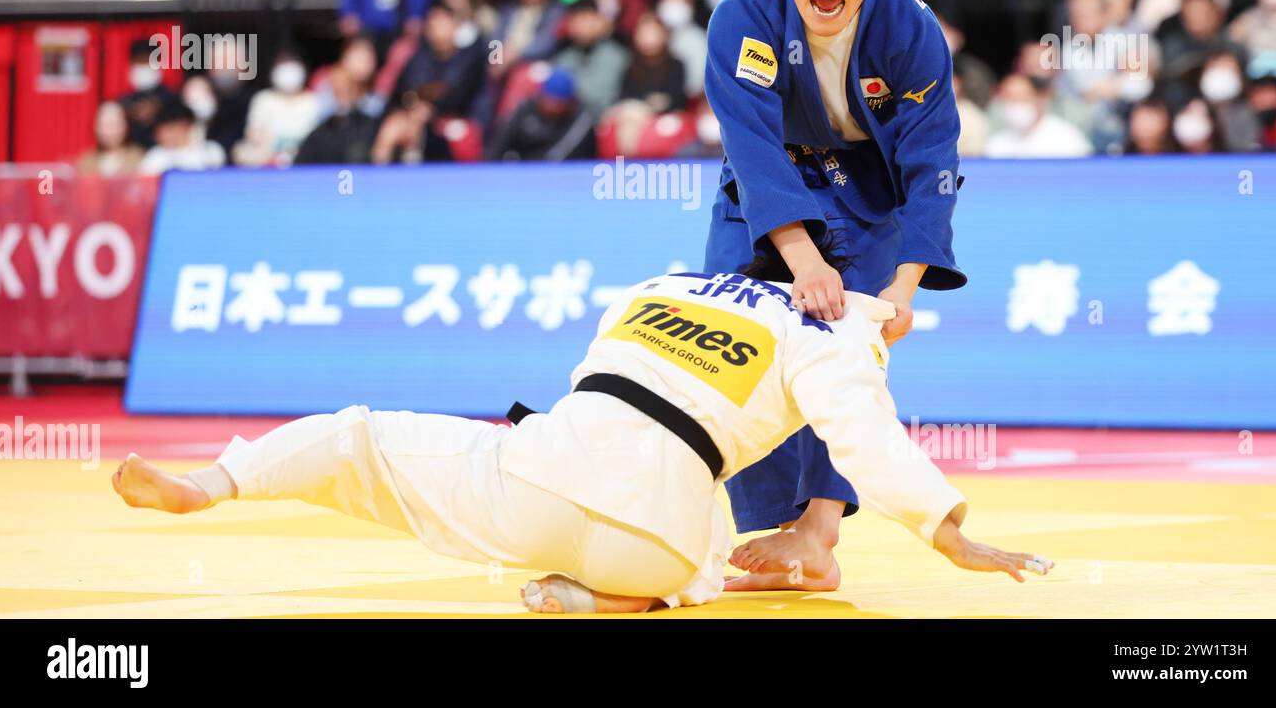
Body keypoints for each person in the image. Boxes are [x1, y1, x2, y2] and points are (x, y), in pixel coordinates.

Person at [111, 256, 1053, 614]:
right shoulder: (836, 325)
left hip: (541, 477)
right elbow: (867, 443)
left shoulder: (656, 285)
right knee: (689, 539)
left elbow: (596, 391)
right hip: (665, 540)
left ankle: (211, 486)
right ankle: (614, 601)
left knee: (362, 436)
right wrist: (948, 529)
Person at [701, 0, 966, 592]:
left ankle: (818, 534)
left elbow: (933, 165)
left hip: (871, 193)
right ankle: (766, 530)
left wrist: (905, 286)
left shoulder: (911, 31)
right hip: (767, 189)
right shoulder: (743, 17)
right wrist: (804, 258)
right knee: (738, 343)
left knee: (848, 352)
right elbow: (751, 149)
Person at [78, 101, 145, 175]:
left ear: (126, 126)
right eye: (103, 125)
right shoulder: (88, 161)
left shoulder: (137, 157)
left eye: (113, 124)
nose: (108, 131)